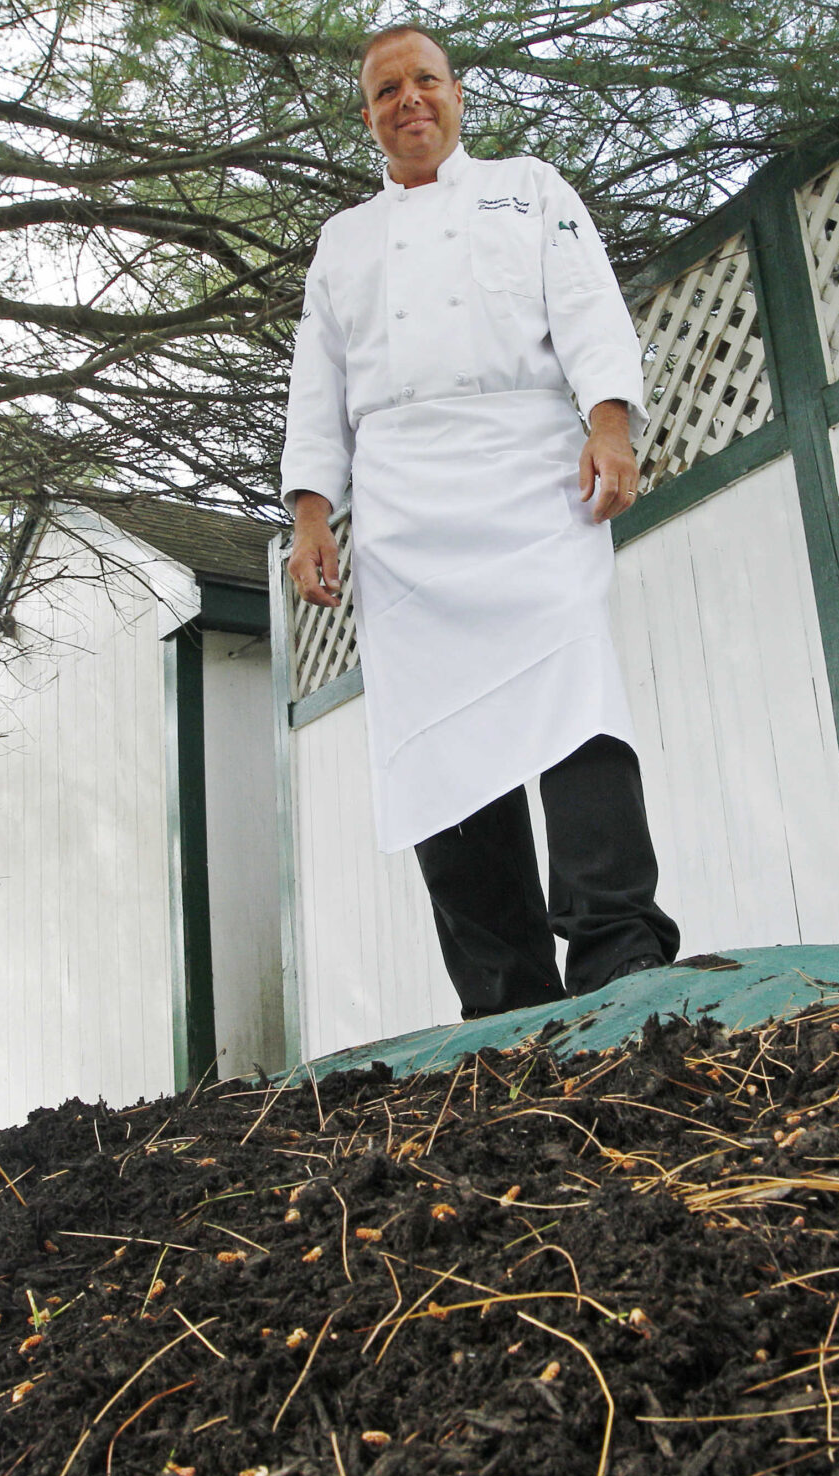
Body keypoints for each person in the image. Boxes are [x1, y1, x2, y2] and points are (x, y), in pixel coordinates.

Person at [280, 24, 681, 1020]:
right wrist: (310, 515)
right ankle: (502, 992)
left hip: (531, 481)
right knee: (439, 745)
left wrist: (609, 424)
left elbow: (589, 309)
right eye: (385, 91)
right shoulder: (342, 243)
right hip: (405, 506)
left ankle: (616, 948)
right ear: (367, 115)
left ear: (457, 93)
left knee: (577, 701)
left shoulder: (530, 188)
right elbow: (315, 389)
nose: (408, 100)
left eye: (424, 81)